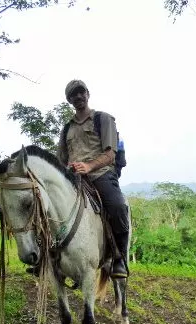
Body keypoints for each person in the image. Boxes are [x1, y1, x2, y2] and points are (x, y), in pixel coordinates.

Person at [56, 79, 129, 278]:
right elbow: (60, 158)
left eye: (81, 92)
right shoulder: (66, 128)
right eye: (73, 95)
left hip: (100, 174)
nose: (78, 97)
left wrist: (88, 166)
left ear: (87, 93)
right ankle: (47, 255)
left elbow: (110, 154)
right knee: (47, 205)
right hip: (72, 178)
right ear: (69, 100)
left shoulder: (103, 119)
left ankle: (119, 258)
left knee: (118, 207)